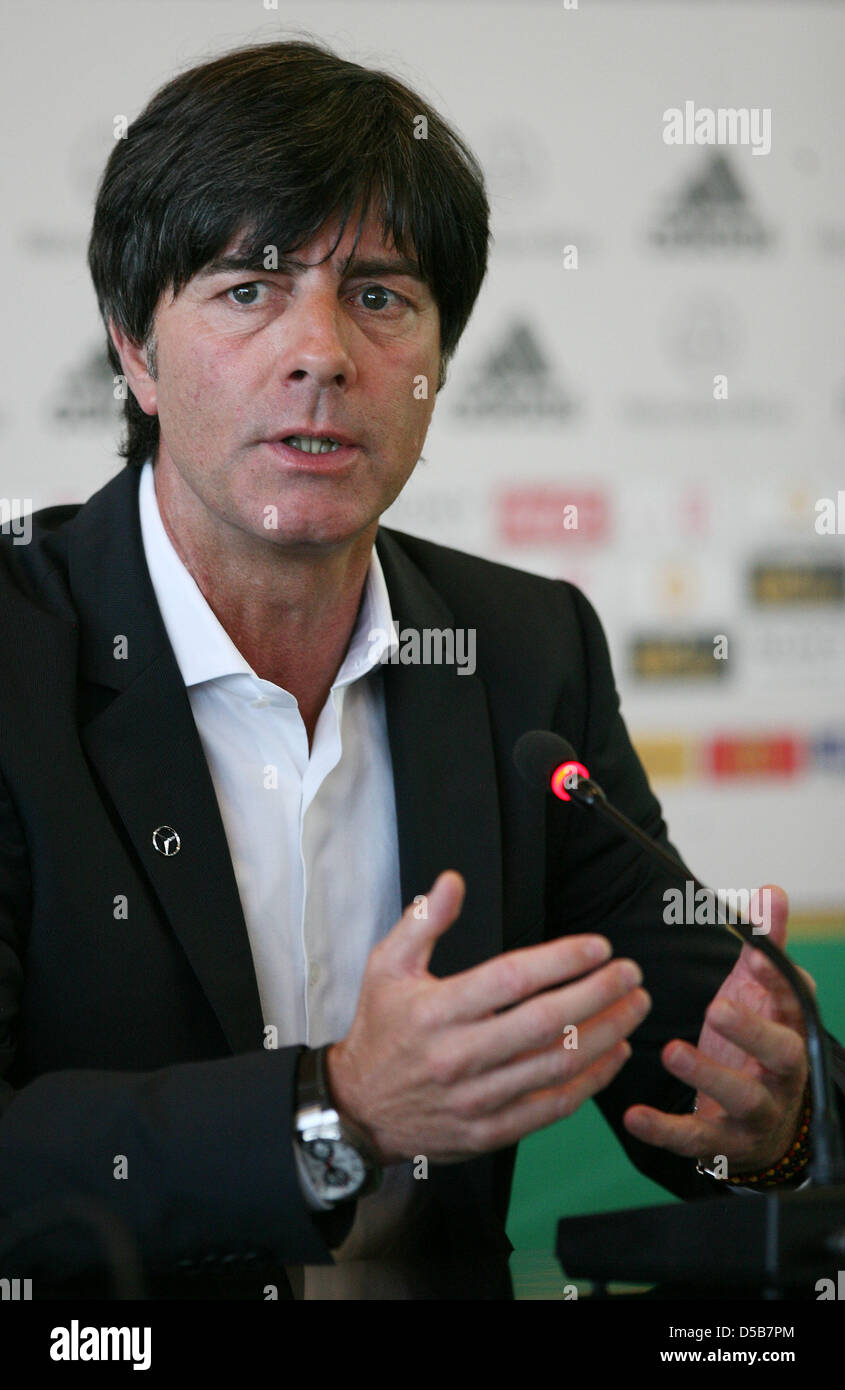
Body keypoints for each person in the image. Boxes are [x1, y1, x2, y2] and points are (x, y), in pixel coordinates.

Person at [0, 38, 841, 1301]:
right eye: (248, 288)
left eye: (380, 297)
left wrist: (769, 1126)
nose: (322, 352)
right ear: (132, 346)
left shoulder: (522, 651)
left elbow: (694, 1067)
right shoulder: (17, 649)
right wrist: (329, 1109)